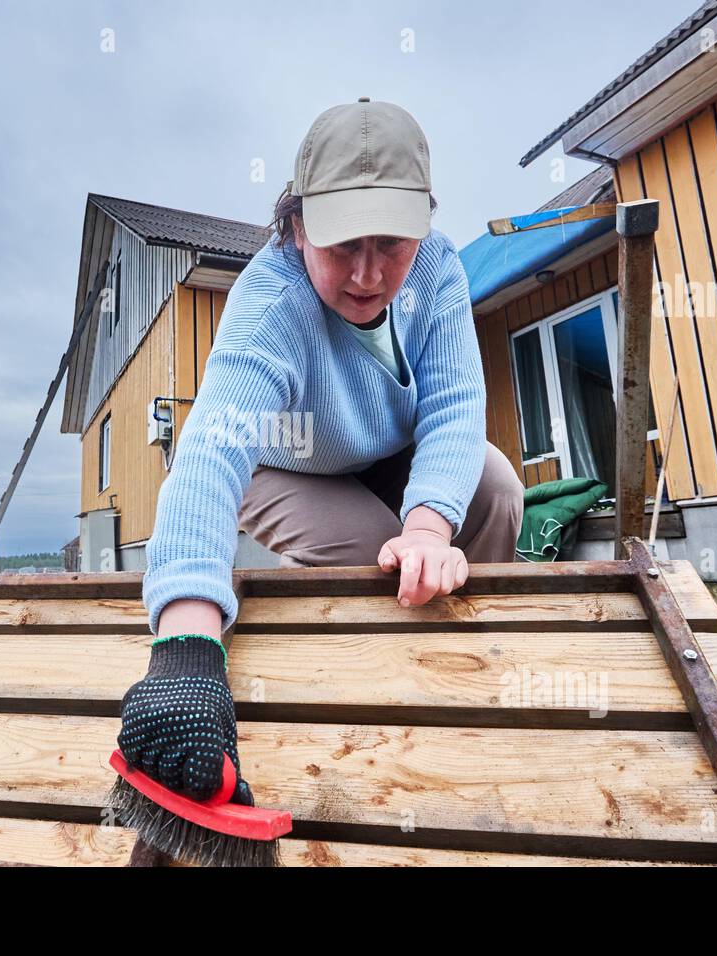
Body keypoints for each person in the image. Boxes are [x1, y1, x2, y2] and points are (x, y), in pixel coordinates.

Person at [117, 98, 524, 806]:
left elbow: (456, 405)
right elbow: (210, 454)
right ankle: (366, 700)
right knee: (373, 552)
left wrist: (429, 530)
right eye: (342, 247)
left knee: (493, 484)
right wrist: (185, 648)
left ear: (422, 226)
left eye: (391, 244)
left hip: (383, 447)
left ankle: (467, 668)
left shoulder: (440, 271)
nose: (368, 275)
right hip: (284, 464)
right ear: (298, 226)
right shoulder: (270, 305)